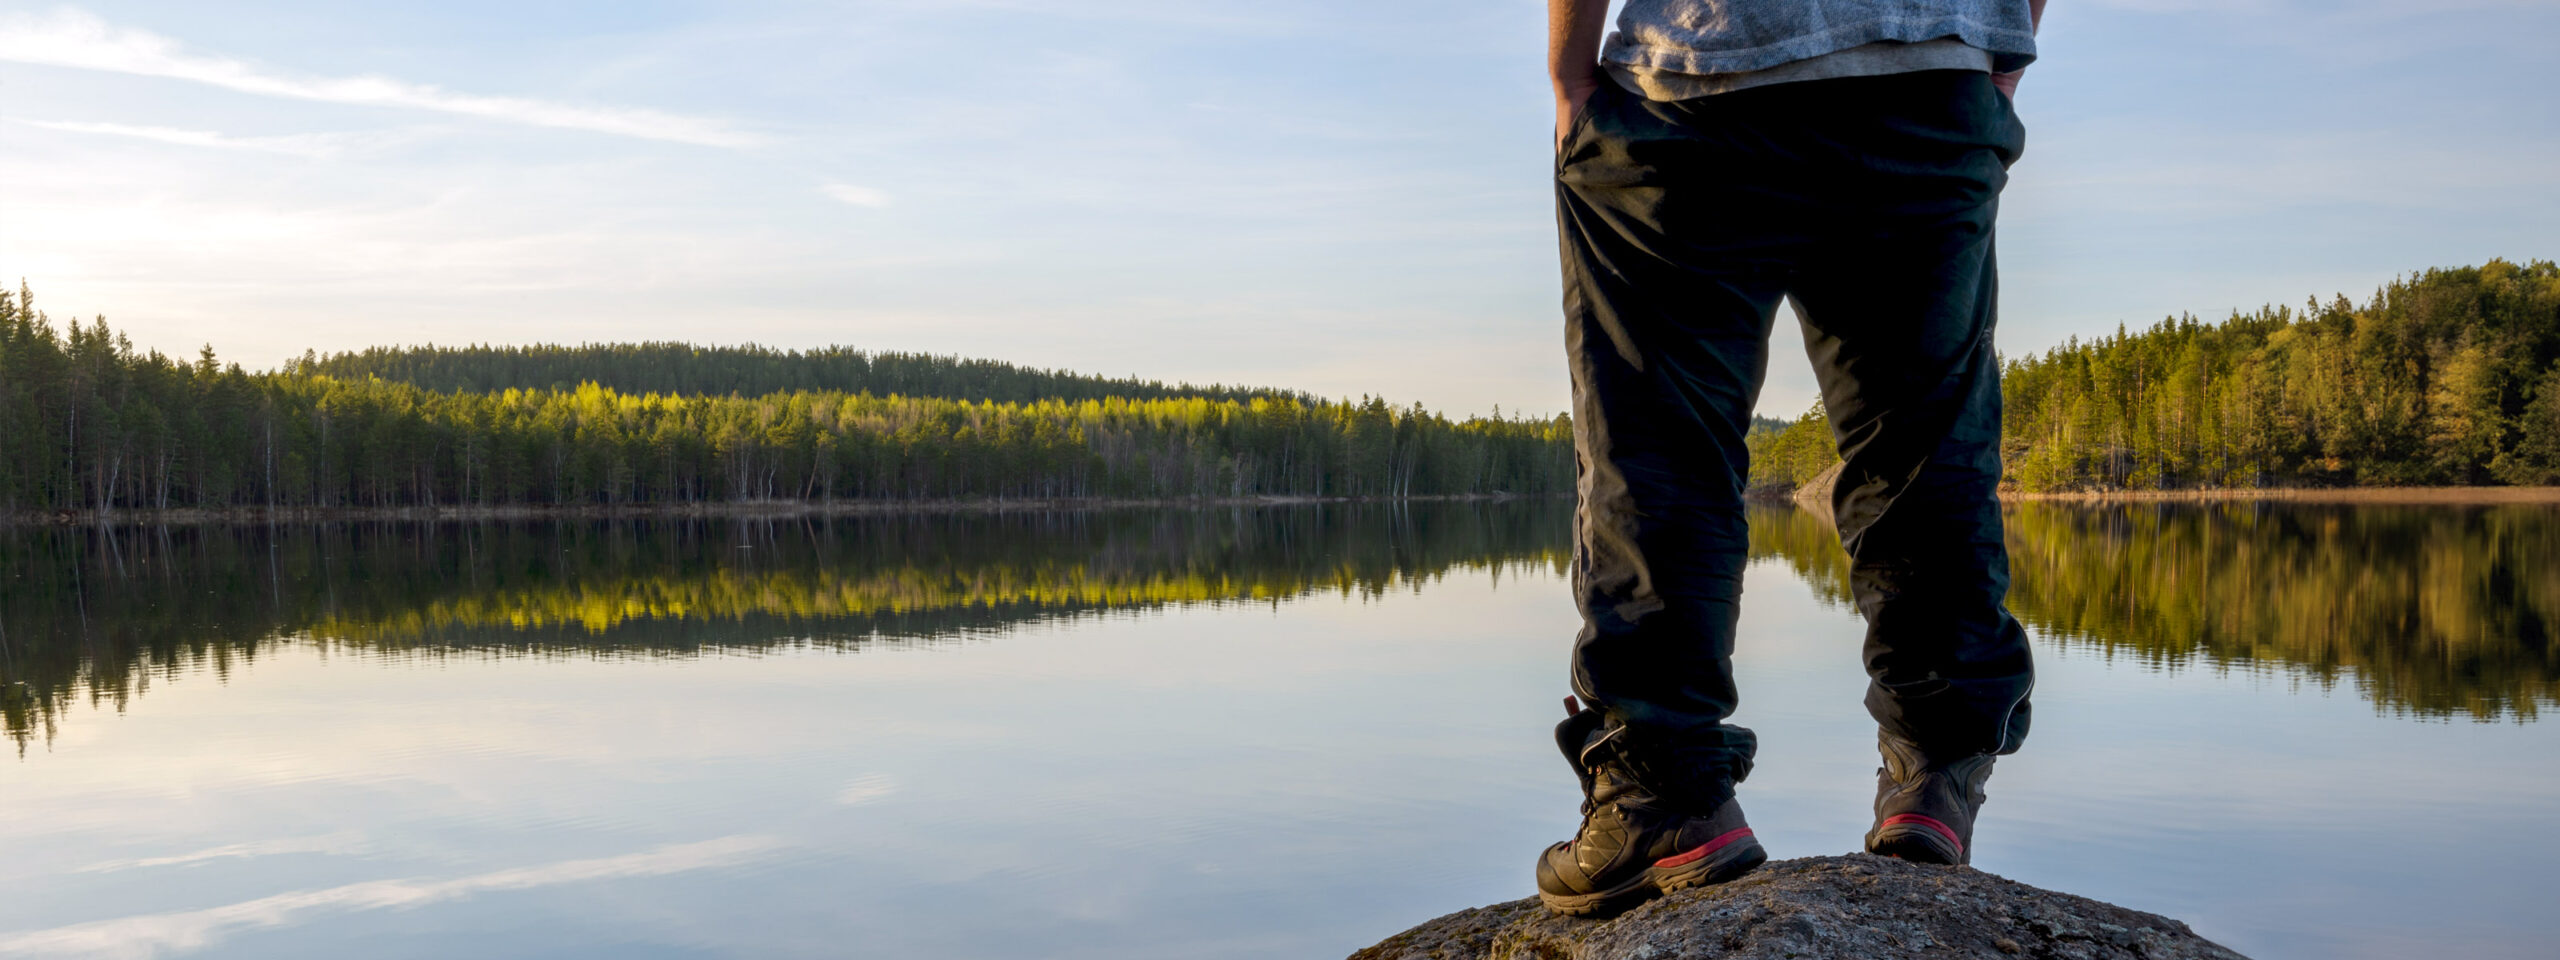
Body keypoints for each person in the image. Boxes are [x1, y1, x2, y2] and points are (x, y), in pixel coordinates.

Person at [1535, 0, 2048, 915]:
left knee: (1661, 445)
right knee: (1922, 443)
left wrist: (1569, 70)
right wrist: (2002, 38)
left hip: (1690, 82)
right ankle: (1931, 779)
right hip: (1933, 80)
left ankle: (1665, 793)